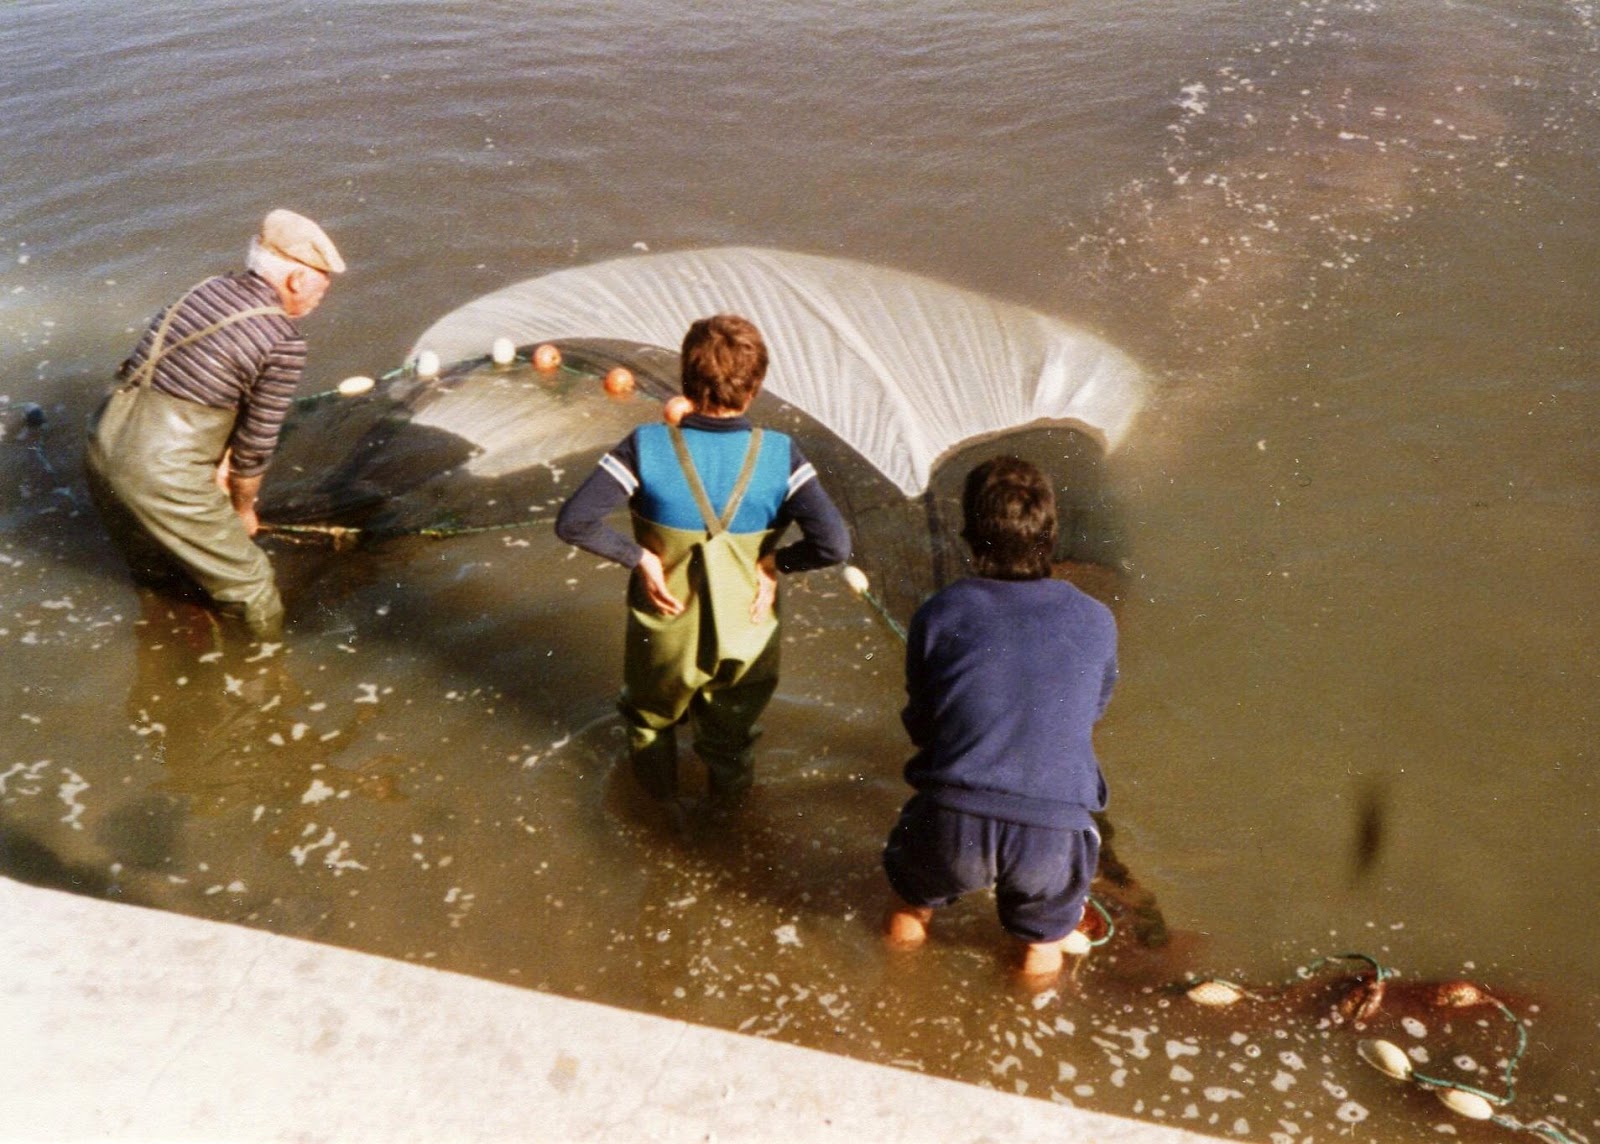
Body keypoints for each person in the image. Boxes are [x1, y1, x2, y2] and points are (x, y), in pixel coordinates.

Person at [556, 313, 851, 816]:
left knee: (650, 723)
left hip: (666, 625)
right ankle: (725, 832)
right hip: (746, 631)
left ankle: (660, 824)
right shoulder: (781, 454)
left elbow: (575, 522)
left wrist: (640, 557)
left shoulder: (644, 447)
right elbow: (834, 544)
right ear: (755, 386)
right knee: (732, 741)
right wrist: (775, 562)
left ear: (686, 381)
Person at [881, 455, 1116, 983]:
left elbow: (922, 721)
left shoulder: (939, 611)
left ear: (969, 536)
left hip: (953, 818)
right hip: (1053, 831)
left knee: (911, 907)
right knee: (1044, 946)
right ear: (1052, 534)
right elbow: (1090, 711)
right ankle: (1026, 1044)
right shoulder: (1098, 620)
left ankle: (893, 1006)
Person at [84, 209, 344, 641]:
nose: (325, 292)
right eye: (323, 280)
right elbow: (255, 446)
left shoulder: (206, 291)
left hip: (103, 443)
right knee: (251, 585)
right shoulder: (282, 340)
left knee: (159, 572)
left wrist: (213, 467)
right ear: (297, 279)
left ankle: (168, 659)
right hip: (160, 474)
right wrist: (243, 510)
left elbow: (192, 384)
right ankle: (262, 681)